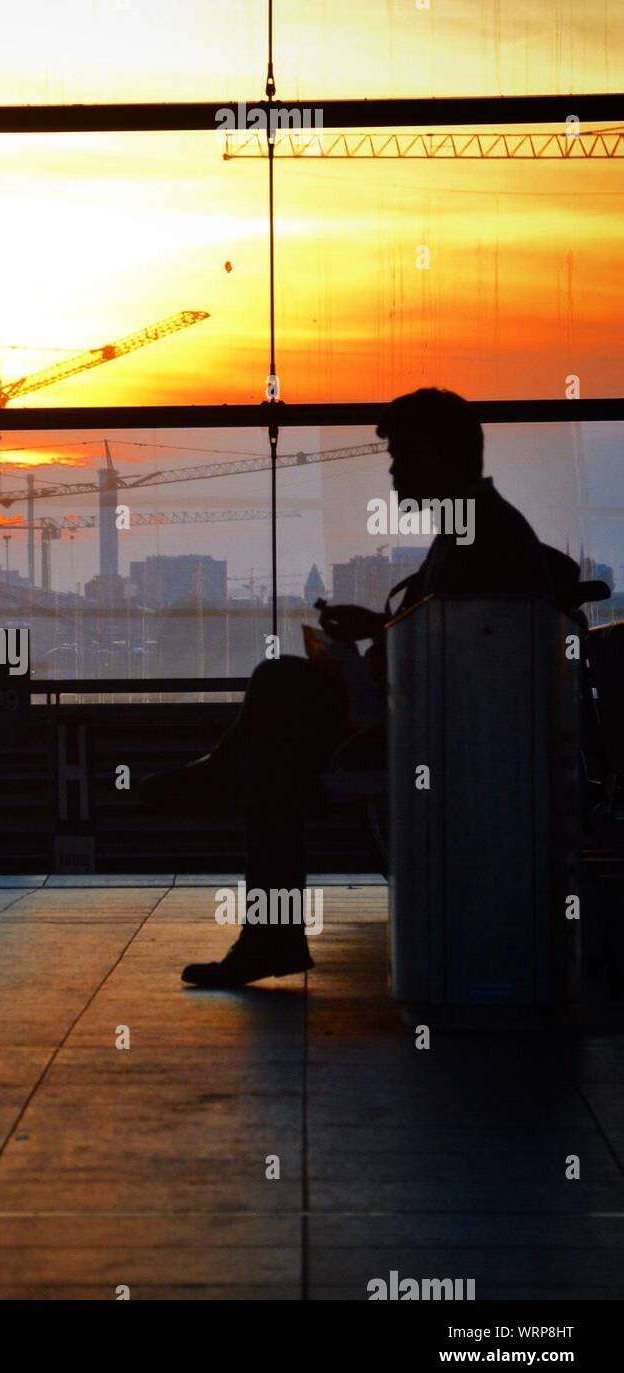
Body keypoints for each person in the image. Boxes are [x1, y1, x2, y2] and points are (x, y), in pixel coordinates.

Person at [140, 388, 572, 988]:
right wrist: (376, 629)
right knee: (276, 709)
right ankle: (241, 826)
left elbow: (451, 645)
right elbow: (451, 636)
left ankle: (233, 810)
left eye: (401, 456)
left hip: (427, 731)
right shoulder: (478, 530)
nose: (392, 471)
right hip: (430, 717)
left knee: (275, 703)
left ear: (439, 455)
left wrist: (374, 648)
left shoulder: (475, 539)